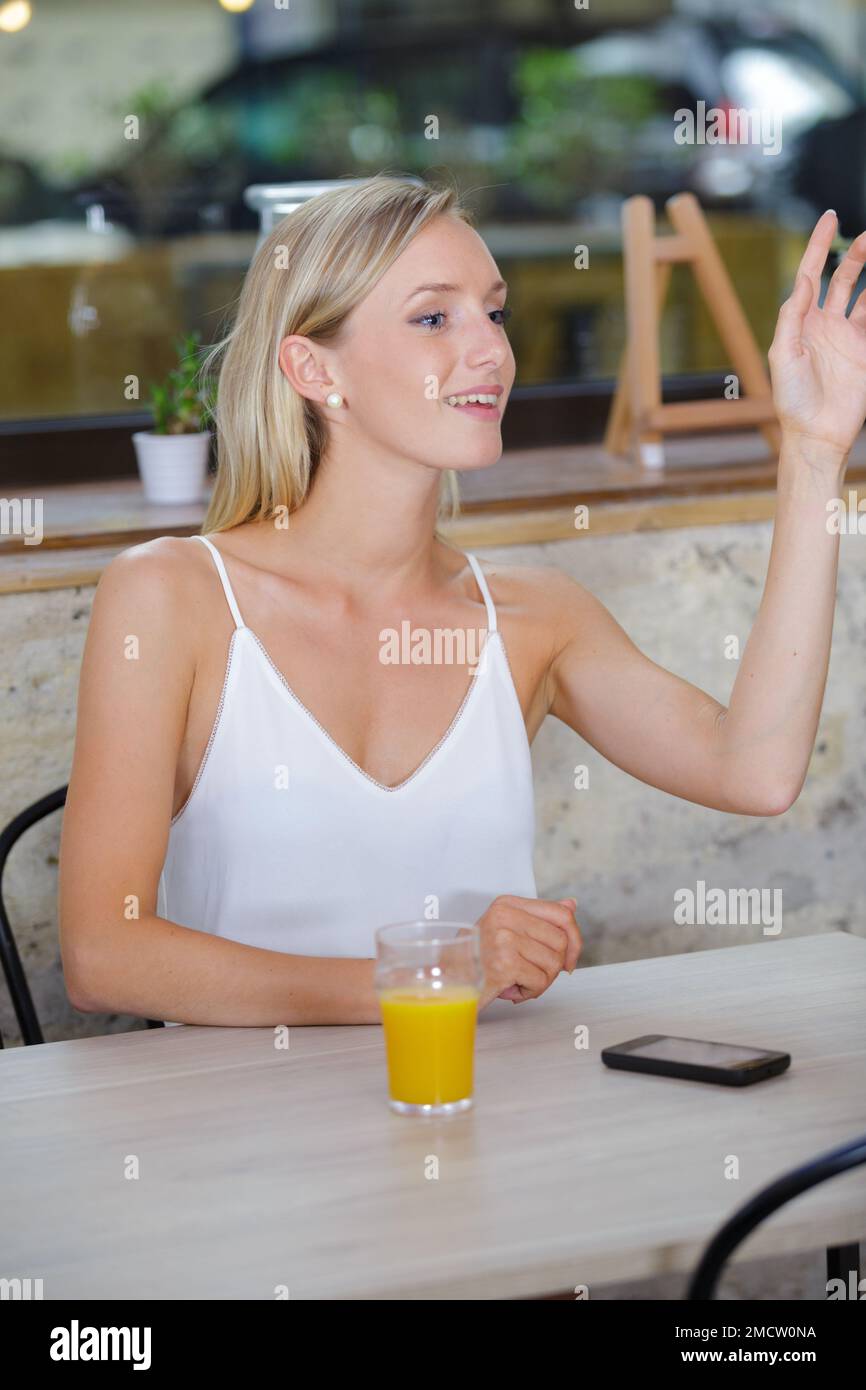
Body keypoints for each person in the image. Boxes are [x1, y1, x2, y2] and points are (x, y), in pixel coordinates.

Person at [58, 175, 865, 1027]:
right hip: (238, 1148)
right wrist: (433, 973)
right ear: (312, 367)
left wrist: (814, 451)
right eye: (435, 317)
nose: (493, 352)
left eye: (496, 312)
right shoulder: (169, 598)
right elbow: (104, 956)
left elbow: (756, 770)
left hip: (482, 1124)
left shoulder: (537, 619)